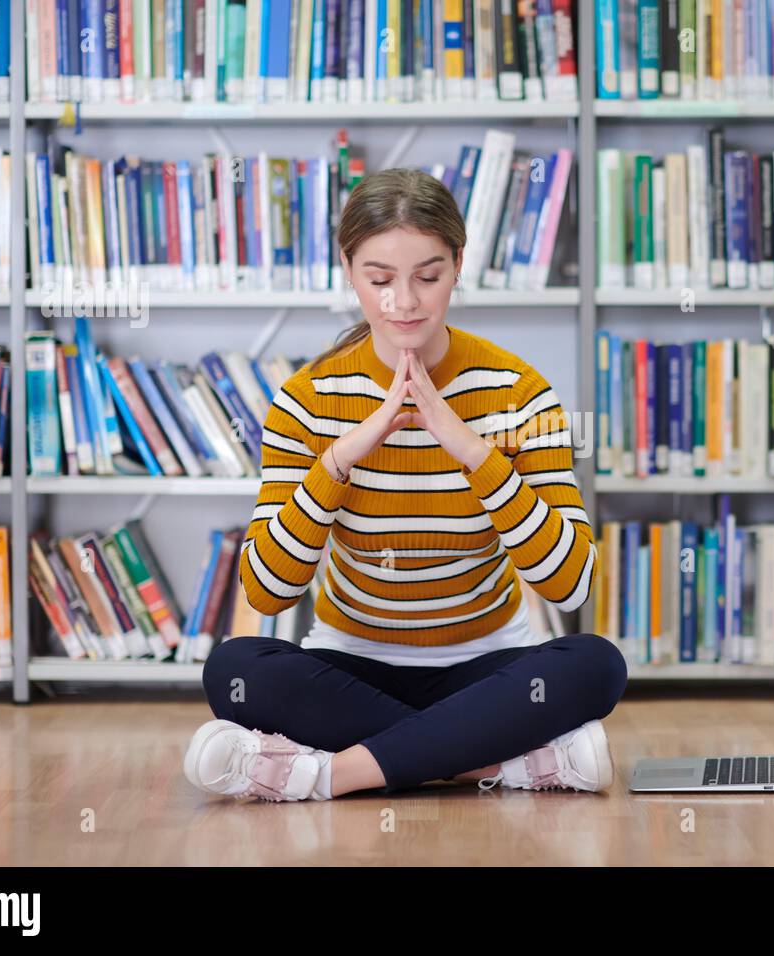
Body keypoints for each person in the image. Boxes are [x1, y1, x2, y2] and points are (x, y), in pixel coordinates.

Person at [182, 167, 627, 802]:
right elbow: (269, 590)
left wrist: (474, 452)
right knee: (235, 673)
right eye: (380, 279)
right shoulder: (307, 401)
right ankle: (503, 763)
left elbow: (569, 581)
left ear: (458, 263)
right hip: (351, 667)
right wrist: (339, 459)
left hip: (488, 667)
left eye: (428, 275)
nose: (405, 303)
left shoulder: (519, 393)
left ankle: (325, 774)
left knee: (595, 665)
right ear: (349, 270)